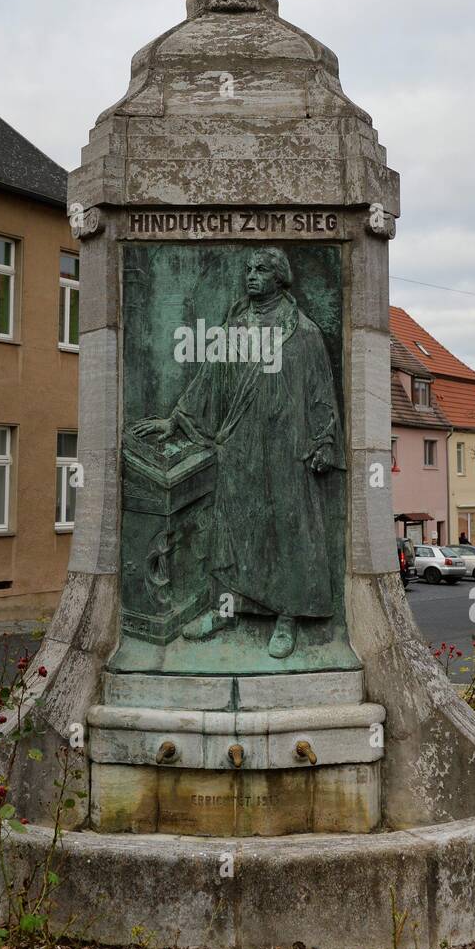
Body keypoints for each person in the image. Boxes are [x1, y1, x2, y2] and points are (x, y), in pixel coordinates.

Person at [131, 248, 344, 660]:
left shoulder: (304, 332)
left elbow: (321, 395)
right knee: (232, 528)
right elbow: (209, 378)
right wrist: (176, 419)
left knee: (286, 530)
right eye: (248, 269)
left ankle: (286, 618)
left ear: (280, 278)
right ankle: (226, 609)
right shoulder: (236, 326)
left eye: (261, 269)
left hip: (287, 447)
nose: (251, 275)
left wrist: (324, 442)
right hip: (241, 444)